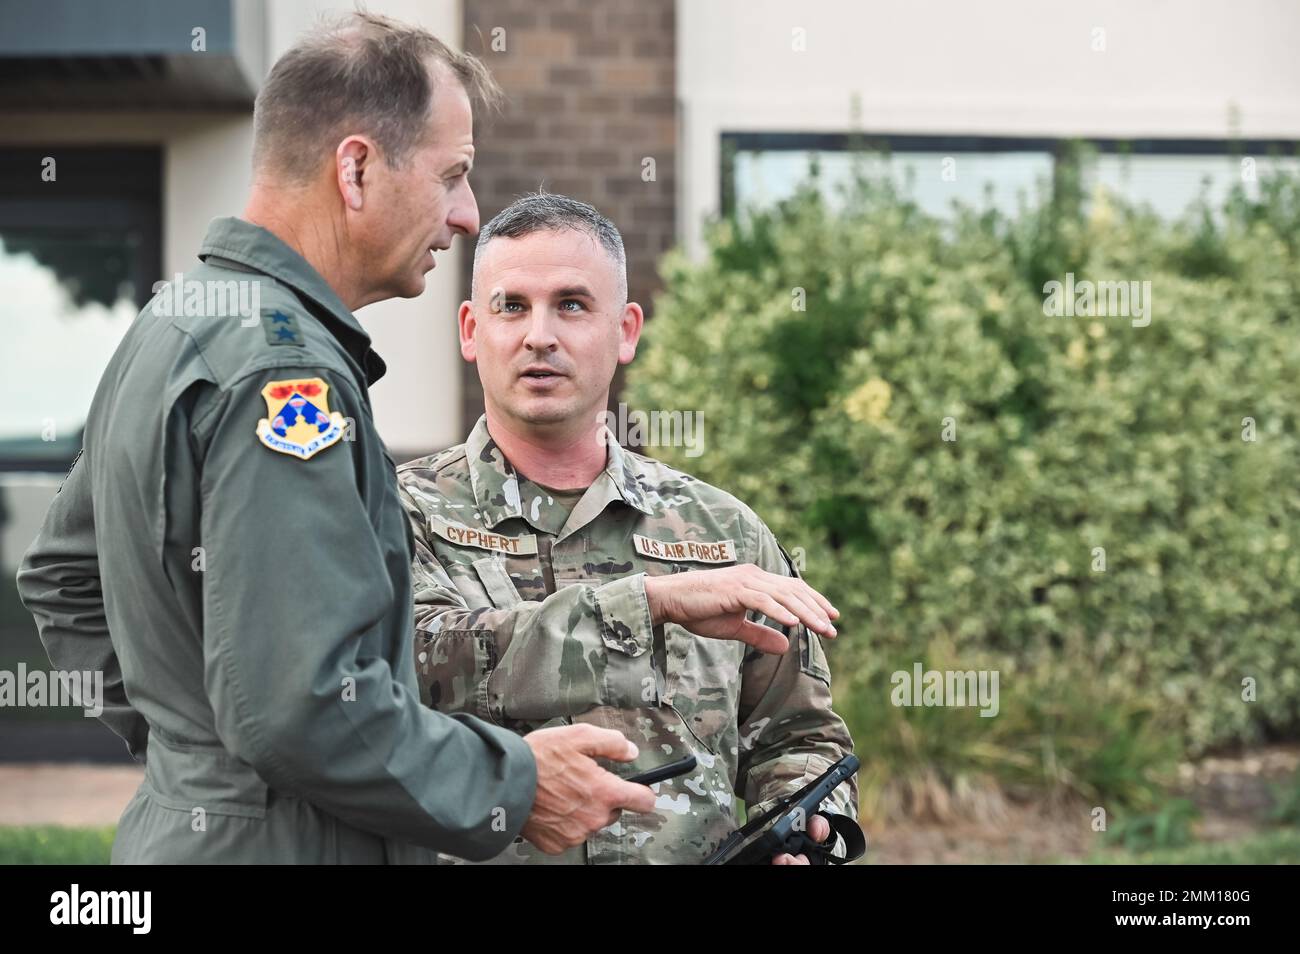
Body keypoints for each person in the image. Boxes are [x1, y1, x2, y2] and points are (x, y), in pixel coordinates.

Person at [16, 14, 653, 865]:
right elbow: (302, 703)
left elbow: (62, 574)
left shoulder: (180, 321)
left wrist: (196, 760)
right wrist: (513, 784)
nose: (466, 216)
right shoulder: (285, 374)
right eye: (452, 175)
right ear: (355, 170)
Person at [398, 193, 858, 864]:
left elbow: (799, 734)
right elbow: (413, 667)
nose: (540, 336)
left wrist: (809, 836)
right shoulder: (396, 511)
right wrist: (653, 605)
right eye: (512, 307)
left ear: (627, 330)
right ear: (470, 330)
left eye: (573, 305)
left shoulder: (722, 532)